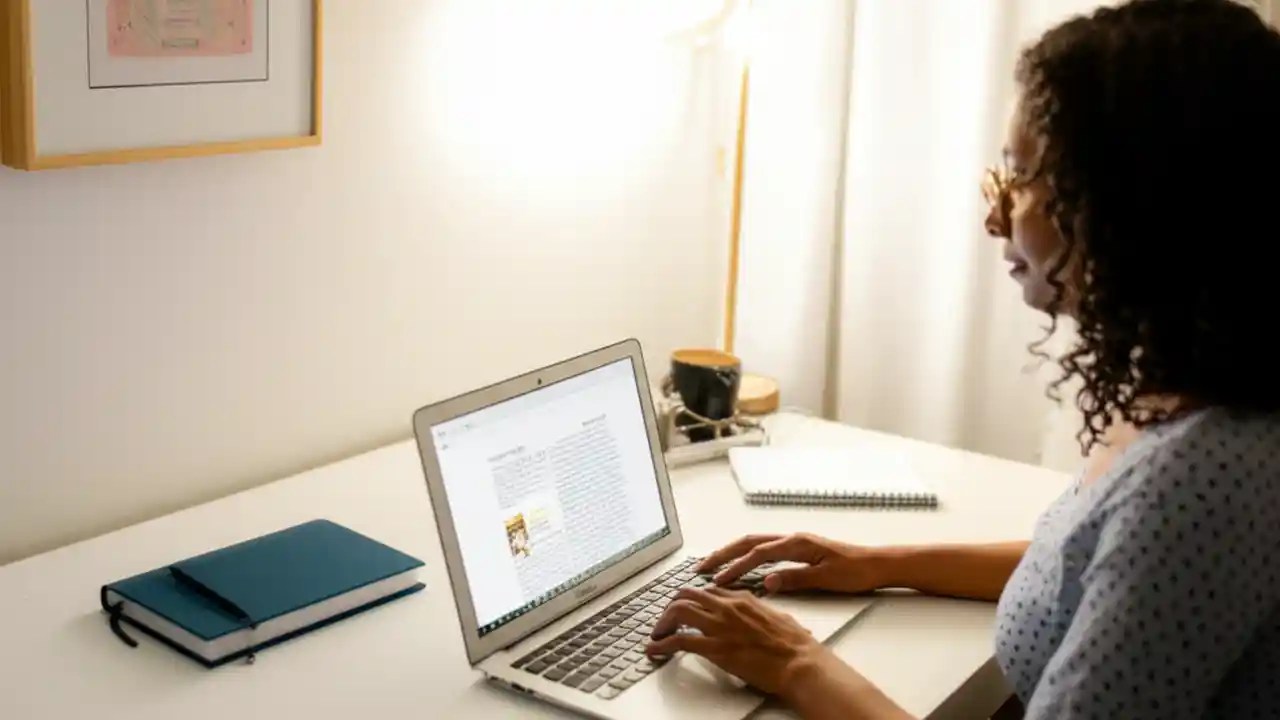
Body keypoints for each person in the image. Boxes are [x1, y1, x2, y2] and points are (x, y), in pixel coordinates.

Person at [645, 1, 1280, 717]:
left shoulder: (1195, 483)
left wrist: (793, 661)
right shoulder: (1197, 395)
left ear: (1133, 201)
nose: (994, 216)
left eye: (1023, 178)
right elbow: (1083, 570)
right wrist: (877, 564)